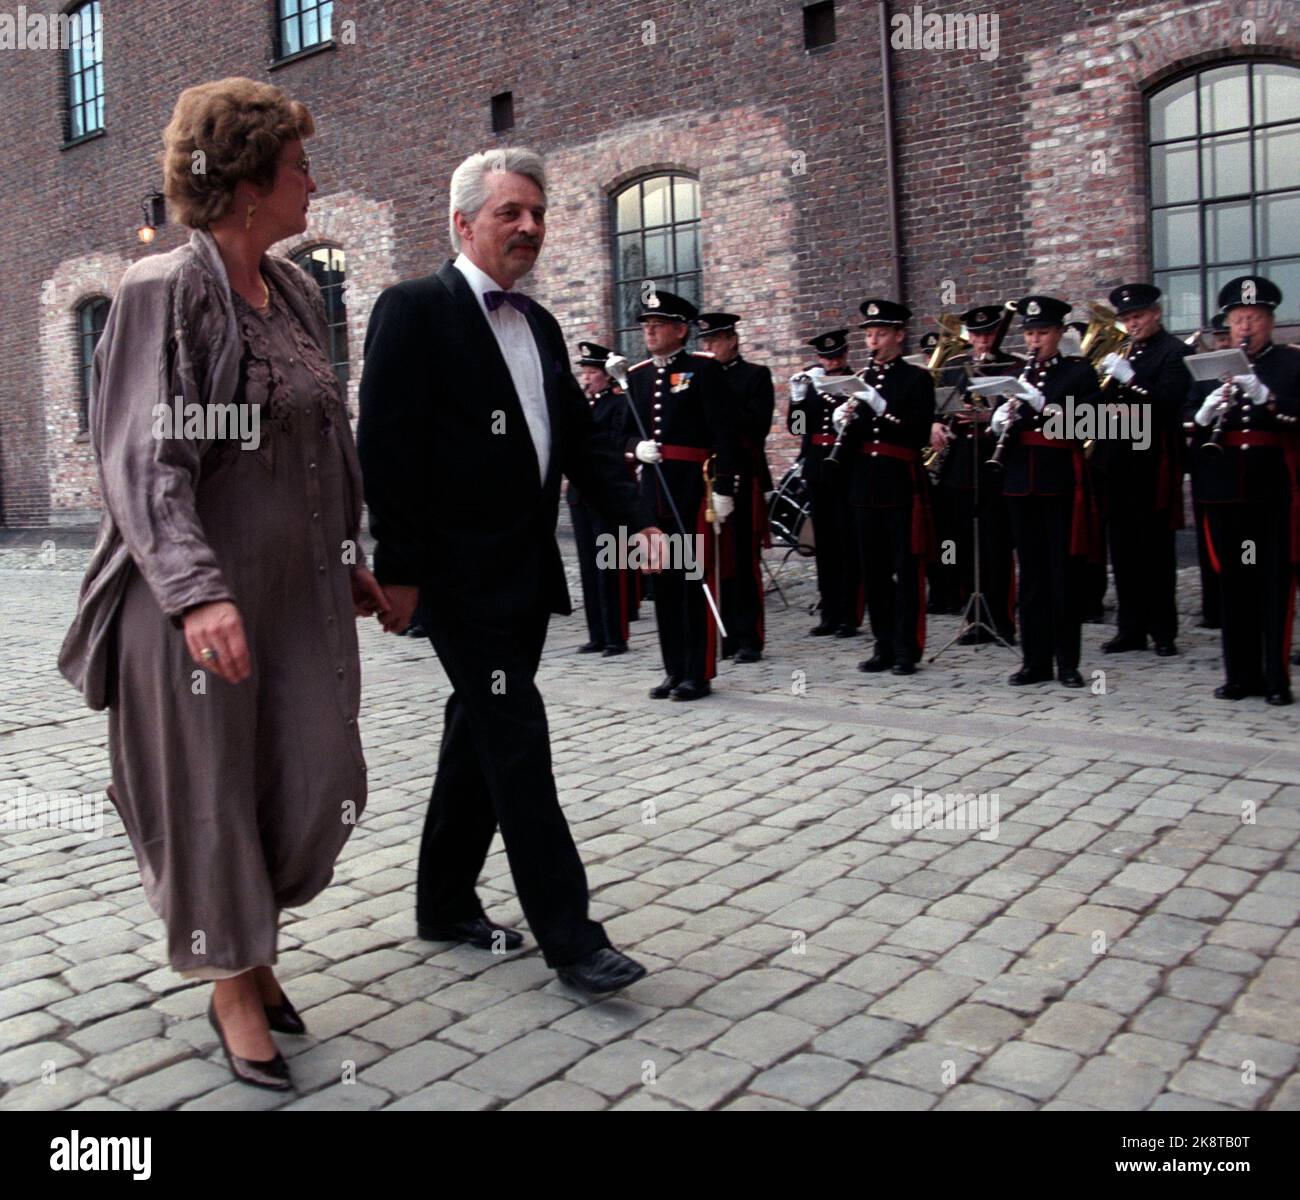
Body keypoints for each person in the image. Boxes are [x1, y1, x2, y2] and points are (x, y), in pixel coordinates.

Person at [57, 78, 386, 1091]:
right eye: (297, 166)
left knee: (314, 776)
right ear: (245, 183)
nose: (313, 182)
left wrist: (348, 555)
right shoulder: (166, 288)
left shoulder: (287, 290)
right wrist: (197, 591)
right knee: (211, 795)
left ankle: (247, 943)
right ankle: (236, 980)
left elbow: (323, 439)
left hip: (295, 600)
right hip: (191, 606)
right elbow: (144, 460)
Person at [357, 148, 666, 995]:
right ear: (463, 224)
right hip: (460, 583)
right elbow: (384, 448)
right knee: (519, 743)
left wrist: (640, 520)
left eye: (537, 212)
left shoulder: (542, 327)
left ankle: (444, 901)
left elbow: (579, 441)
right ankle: (573, 938)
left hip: (526, 578)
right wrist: (403, 570)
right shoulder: (412, 310)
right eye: (510, 213)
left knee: (480, 733)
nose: (529, 226)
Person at [618, 289, 739, 701]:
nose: (649, 331)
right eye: (645, 326)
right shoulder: (635, 376)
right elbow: (622, 434)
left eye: (657, 325)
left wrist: (724, 489)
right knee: (663, 589)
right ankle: (673, 669)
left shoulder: (703, 370)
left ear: (680, 329)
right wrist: (637, 448)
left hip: (692, 491)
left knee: (692, 582)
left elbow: (727, 433)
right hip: (653, 494)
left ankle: (698, 672)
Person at [1190, 275, 1300, 705]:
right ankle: (1240, 674)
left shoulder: (1291, 364)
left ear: (1270, 321)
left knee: (1272, 583)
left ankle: (1276, 677)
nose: (1245, 327)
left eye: (1253, 318)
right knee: (1234, 583)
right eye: (1238, 319)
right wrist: (1204, 412)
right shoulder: (1212, 365)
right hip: (1226, 494)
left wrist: (1267, 398)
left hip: (1270, 492)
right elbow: (1187, 424)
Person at [990, 295, 1101, 688]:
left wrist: (1044, 407)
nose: (1035, 341)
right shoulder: (1017, 373)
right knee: (1032, 577)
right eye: (1030, 333)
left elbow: (1090, 425)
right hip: (1022, 484)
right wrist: (999, 419)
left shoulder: (1078, 372)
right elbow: (1007, 429)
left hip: (1060, 482)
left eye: (1042, 333)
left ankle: (1067, 661)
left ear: (1058, 334)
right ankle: (1034, 661)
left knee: (1063, 576)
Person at [832, 299, 935, 675]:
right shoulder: (861, 379)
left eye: (880, 334)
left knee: (905, 570)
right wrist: (844, 416)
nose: (872, 341)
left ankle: (907, 648)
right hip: (864, 483)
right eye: (869, 334)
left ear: (898, 336)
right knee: (872, 569)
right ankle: (883, 644)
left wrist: (880, 408)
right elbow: (857, 435)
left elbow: (918, 432)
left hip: (899, 482)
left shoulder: (916, 379)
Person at [1093, 284, 1190, 658]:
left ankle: (1163, 631)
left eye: (1138, 316)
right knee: (1123, 550)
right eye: (1127, 319)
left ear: (1156, 314)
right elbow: (1102, 413)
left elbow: (1167, 404)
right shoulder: (1121, 350)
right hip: (1117, 463)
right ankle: (1130, 628)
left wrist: (1130, 379)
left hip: (1152, 463)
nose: (1132, 324)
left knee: (1156, 551)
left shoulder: (1175, 352)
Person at [931, 302, 1020, 643]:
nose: (982, 341)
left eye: (988, 334)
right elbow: (937, 407)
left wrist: (989, 417)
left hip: (995, 464)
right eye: (977, 335)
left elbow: (1019, 410)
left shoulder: (1013, 366)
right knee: (963, 546)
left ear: (997, 333)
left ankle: (1002, 620)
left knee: (996, 545)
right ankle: (974, 618)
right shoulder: (955, 365)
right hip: (960, 465)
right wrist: (936, 425)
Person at [696, 311, 774, 662]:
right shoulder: (700, 376)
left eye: (715, 340)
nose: (709, 347)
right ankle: (723, 632)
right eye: (705, 342)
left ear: (732, 340)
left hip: (742, 474)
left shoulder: (755, 376)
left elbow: (757, 427)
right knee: (714, 559)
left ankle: (749, 636)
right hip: (707, 472)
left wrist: (721, 401)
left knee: (743, 559)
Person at [789, 329, 862, 637]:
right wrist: (797, 399)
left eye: (836, 356)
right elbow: (797, 428)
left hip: (845, 466)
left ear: (845, 355)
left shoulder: (855, 384)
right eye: (825, 357)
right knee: (826, 544)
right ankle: (829, 612)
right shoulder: (812, 385)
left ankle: (850, 615)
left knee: (847, 542)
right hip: (818, 468)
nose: (831, 361)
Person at [567, 340, 632, 657]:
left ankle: (615, 635)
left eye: (592, 372)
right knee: (588, 566)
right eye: (585, 372)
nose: (587, 377)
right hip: (580, 494)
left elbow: (616, 445)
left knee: (610, 565)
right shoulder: (583, 406)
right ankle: (596, 633)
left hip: (604, 493)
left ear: (606, 376)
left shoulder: (617, 405)